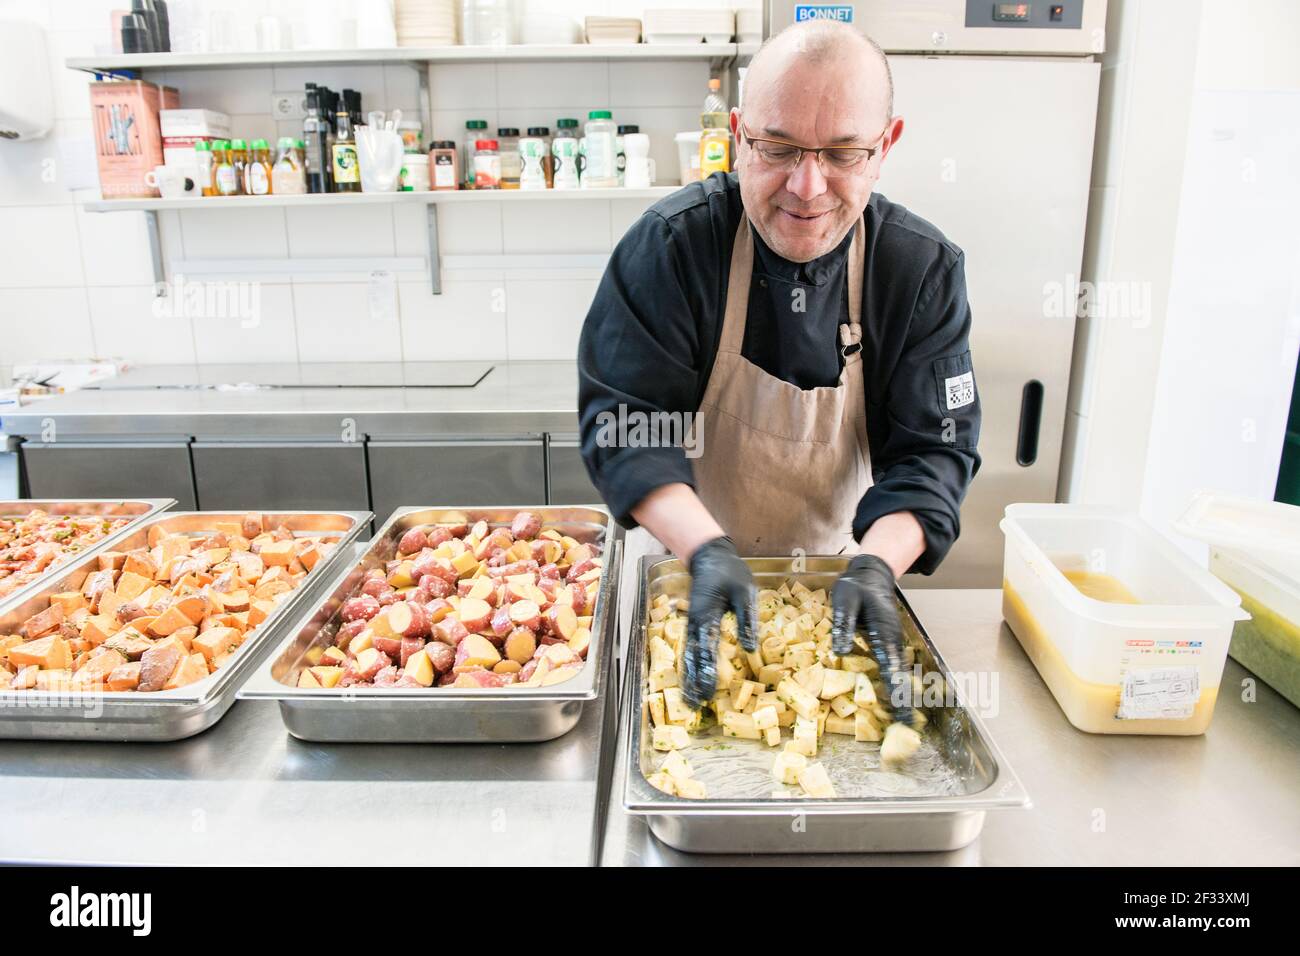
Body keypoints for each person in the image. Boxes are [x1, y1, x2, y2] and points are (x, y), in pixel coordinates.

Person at [577, 20, 981, 718]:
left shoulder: (916, 271)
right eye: (778, 147)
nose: (806, 184)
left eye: (843, 153)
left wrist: (878, 567)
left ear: (885, 147)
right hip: (681, 576)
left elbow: (934, 451)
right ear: (738, 133)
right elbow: (626, 427)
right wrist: (706, 552)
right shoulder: (671, 250)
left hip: (834, 583)